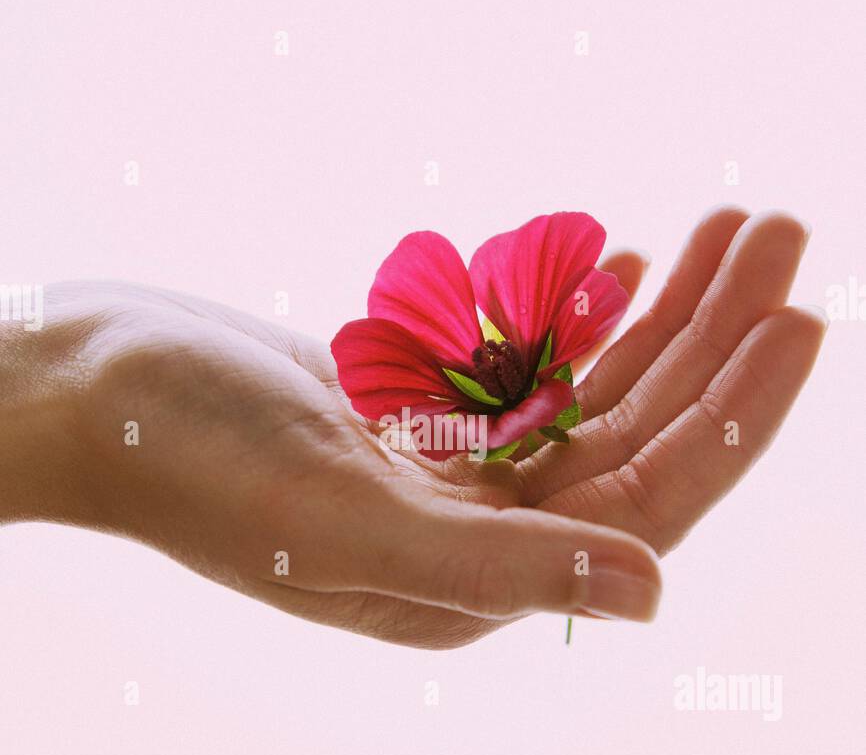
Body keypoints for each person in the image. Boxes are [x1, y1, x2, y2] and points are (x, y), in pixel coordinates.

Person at [0, 207, 824, 648]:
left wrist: (74, 367)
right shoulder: (461, 406)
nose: (499, 358)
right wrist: (85, 374)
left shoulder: (532, 379)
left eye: (510, 354)